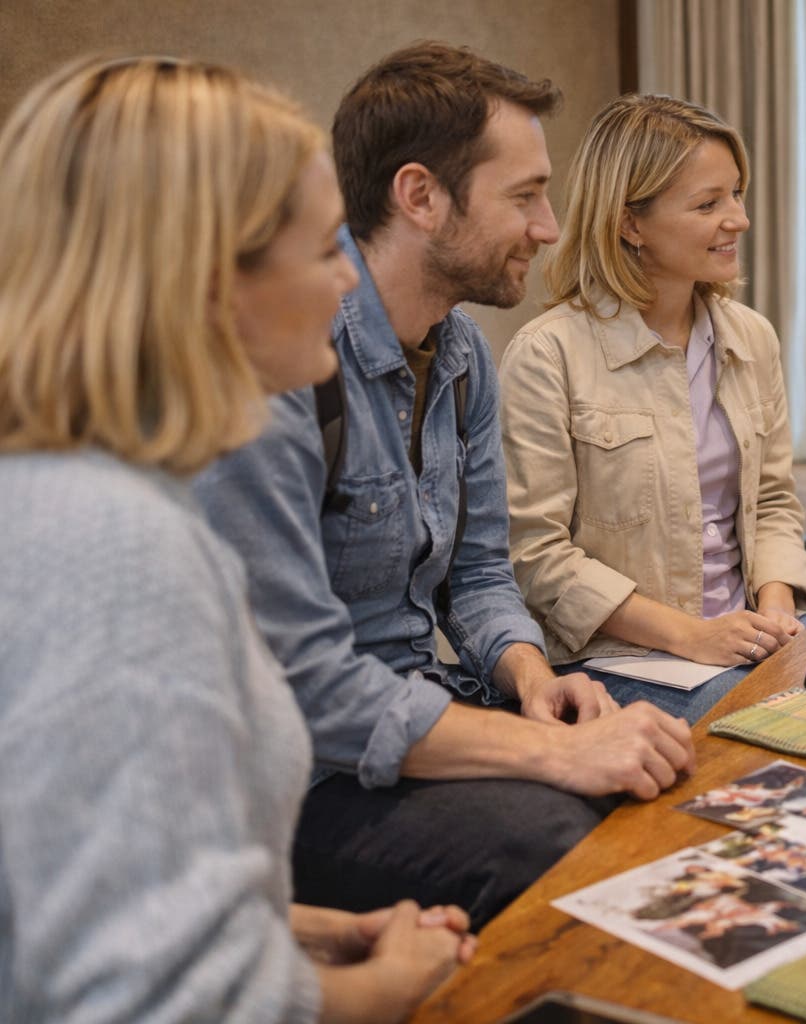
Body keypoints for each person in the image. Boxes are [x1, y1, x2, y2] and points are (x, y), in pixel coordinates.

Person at [0, 55, 472, 1022]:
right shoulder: (116, 547)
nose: (348, 277)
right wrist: (382, 988)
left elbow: (71, 891)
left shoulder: (75, 495)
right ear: (211, 284)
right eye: (321, 250)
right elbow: (164, 1002)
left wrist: (299, 931)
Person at [193, 43, 695, 930]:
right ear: (420, 196)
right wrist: (545, 754)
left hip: (427, 699)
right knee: (560, 841)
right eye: (525, 195)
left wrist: (533, 679)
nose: (548, 227)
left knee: (678, 758)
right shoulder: (275, 378)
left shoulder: (463, 357)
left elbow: (481, 573)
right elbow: (306, 688)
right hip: (309, 771)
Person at [500, 94, 806, 723]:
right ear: (629, 223)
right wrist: (693, 636)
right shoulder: (546, 355)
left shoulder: (751, 338)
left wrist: (777, 608)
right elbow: (537, 556)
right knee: (786, 728)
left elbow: (775, 502)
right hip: (622, 657)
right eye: (708, 204)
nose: (739, 220)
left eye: (735, 194)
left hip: (748, 631)